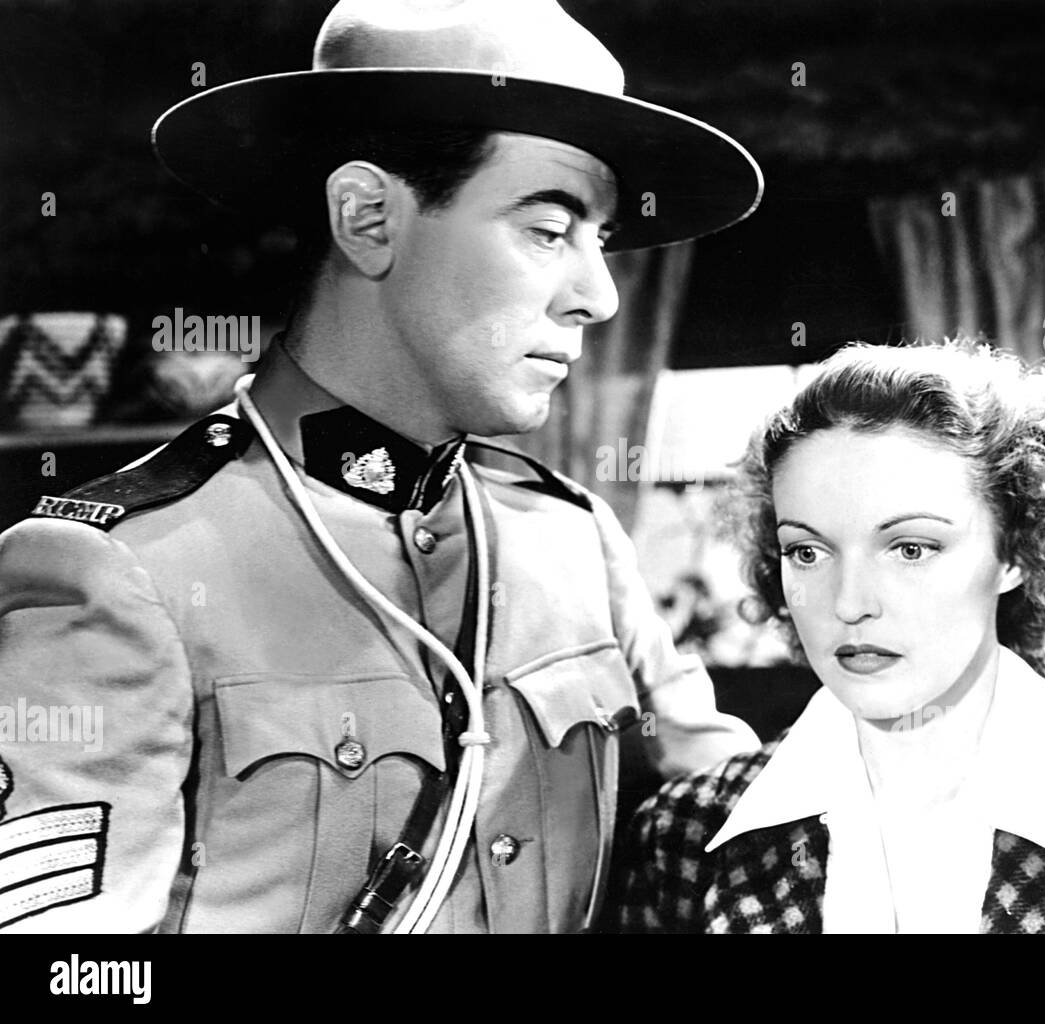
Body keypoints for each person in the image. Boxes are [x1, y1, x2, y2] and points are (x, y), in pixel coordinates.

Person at [0, 0, 765, 933]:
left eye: (597, 242)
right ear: (368, 217)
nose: (598, 297)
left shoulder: (571, 539)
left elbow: (729, 818)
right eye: (548, 228)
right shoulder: (126, 569)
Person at [616, 340, 1045, 933]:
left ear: (1016, 552)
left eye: (911, 548)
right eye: (808, 552)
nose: (849, 604)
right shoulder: (686, 838)